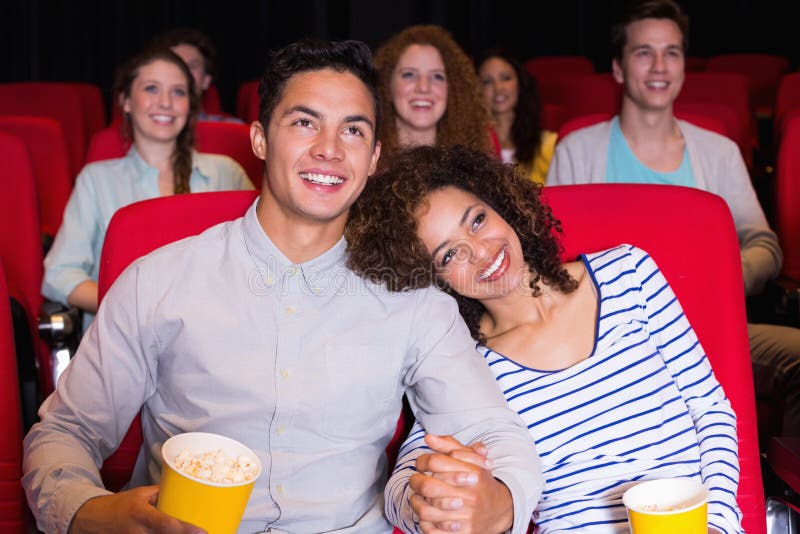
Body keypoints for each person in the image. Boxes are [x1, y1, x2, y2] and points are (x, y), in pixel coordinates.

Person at [24, 39, 542, 534]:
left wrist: (498, 500)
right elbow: (65, 433)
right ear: (260, 138)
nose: (330, 150)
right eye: (304, 123)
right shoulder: (157, 280)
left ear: (375, 158)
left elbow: (491, 431)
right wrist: (83, 513)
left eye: (354, 131)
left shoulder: (415, 301)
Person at [345, 144, 743, 533]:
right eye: (450, 255)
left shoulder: (629, 272)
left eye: (478, 220)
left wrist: (720, 523)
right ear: (432, 280)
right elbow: (408, 480)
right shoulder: (465, 363)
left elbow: (710, 408)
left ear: (500, 204)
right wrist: (431, 507)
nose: (481, 252)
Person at [546, 0, 799, 437]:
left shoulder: (718, 151)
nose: (659, 65)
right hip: (602, 337)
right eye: (644, 52)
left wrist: (727, 276)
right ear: (620, 68)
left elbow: (764, 244)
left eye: (672, 52)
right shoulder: (576, 150)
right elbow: (548, 254)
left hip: (712, 328)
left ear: (684, 65)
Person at [42, 46, 252, 332]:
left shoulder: (226, 172)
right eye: (151, 88)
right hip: (122, 337)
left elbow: (260, 260)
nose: (165, 102)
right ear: (126, 101)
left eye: (178, 92)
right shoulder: (96, 179)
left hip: (214, 337)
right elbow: (59, 274)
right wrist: (135, 308)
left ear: (191, 104)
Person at [374, 24, 493, 165]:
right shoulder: (365, 168)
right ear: (387, 85)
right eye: (409, 75)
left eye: (437, 76)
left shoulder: (473, 171)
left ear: (453, 90)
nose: (424, 87)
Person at [477, 49, 557, 184]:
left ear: (520, 83)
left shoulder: (549, 144)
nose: (498, 88)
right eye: (487, 81)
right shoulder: (469, 142)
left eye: (505, 78)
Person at [150, 27, 243, 122]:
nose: (184, 72)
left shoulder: (231, 130)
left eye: (192, 66)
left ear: (206, 80)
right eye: (176, 64)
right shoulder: (139, 130)